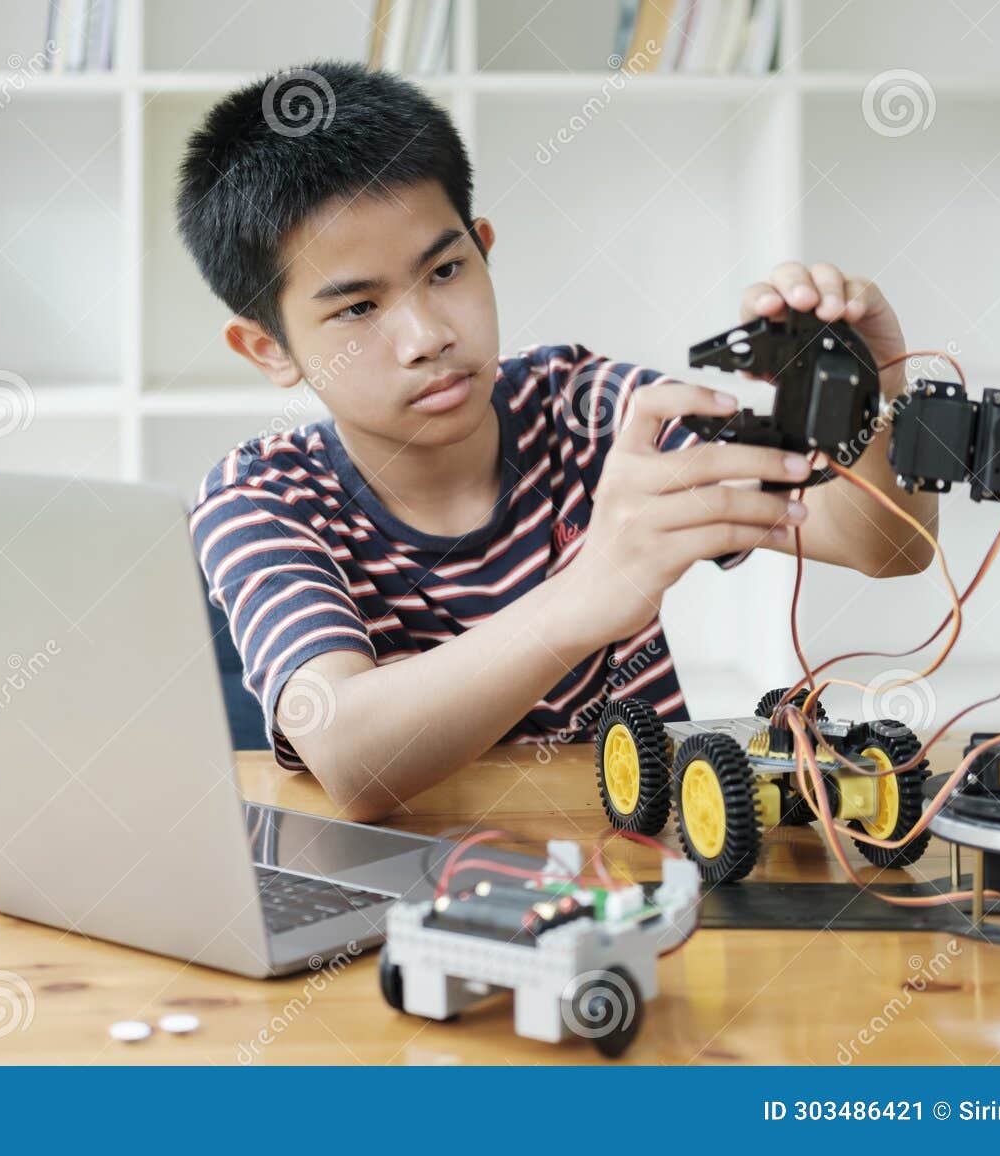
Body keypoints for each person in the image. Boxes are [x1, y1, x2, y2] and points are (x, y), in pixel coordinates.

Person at [178, 61, 937, 821]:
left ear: (483, 248)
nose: (427, 336)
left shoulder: (587, 409)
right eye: (357, 309)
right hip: (411, 877)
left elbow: (888, 546)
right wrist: (589, 591)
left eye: (445, 270)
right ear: (268, 348)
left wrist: (870, 396)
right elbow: (350, 757)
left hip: (641, 864)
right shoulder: (260, 498)